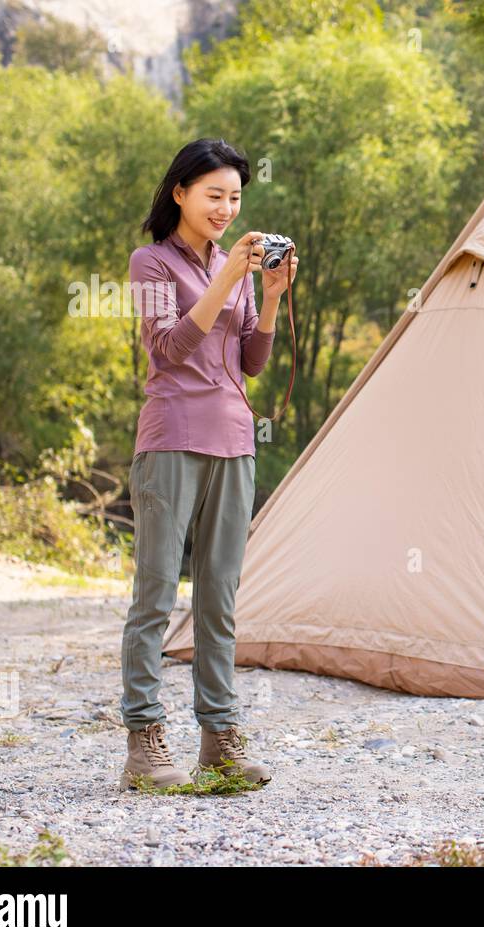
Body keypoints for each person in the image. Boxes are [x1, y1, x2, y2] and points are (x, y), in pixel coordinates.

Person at [118, 138, 298, 789]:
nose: (226, 208)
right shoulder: (152, 263)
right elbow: (168, 349)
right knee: (157, 591)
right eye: (215, 195)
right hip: (170, 438)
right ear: (181, 194)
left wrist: (269, 293)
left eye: (235, 198)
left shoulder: (238, 268)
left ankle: (219, 739)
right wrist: (228, 279)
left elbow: (249, 360)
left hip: (235, 439)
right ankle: (143, 740)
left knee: (219, 596)